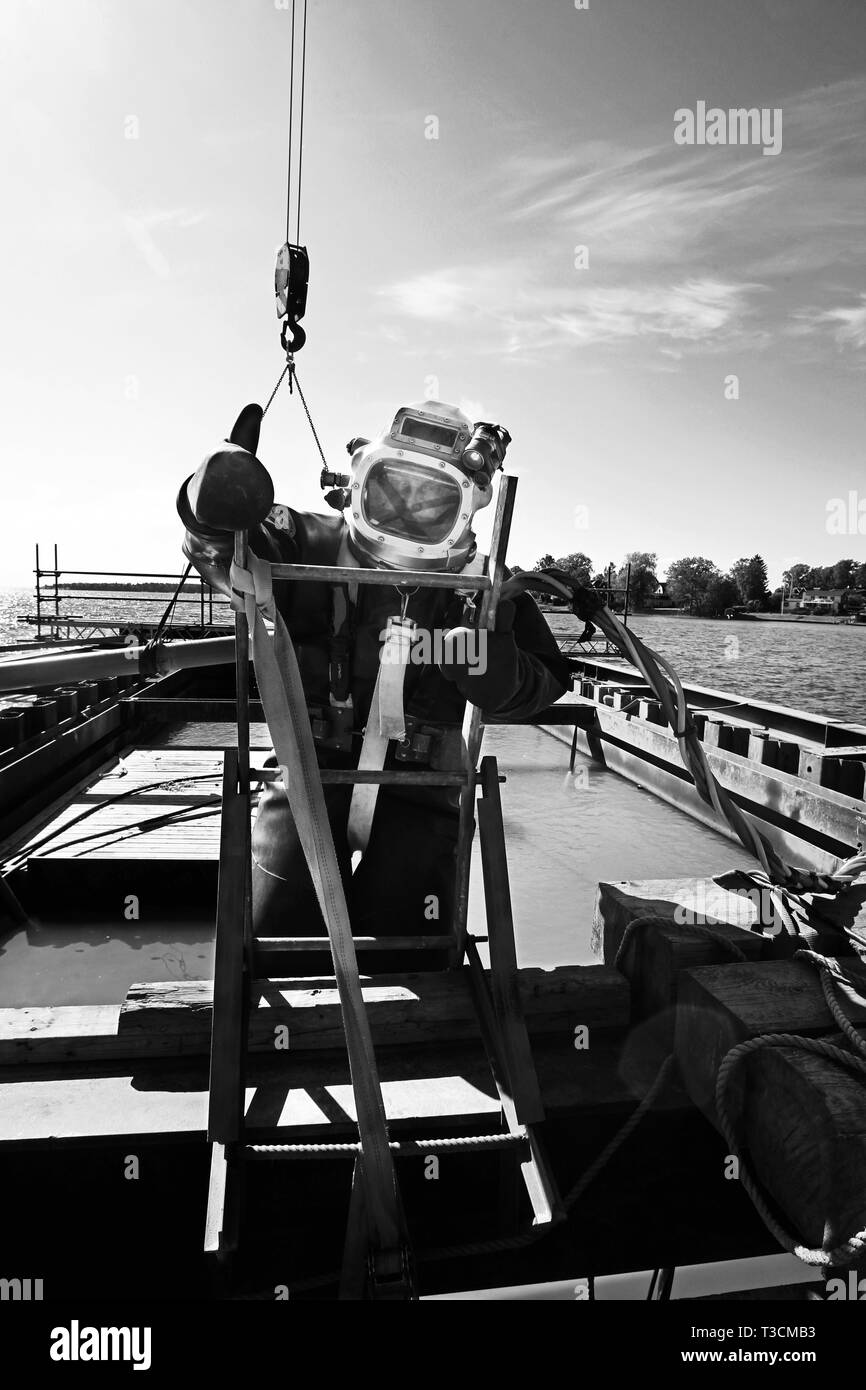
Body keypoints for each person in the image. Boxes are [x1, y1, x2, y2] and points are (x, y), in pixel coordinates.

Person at [178, 399, 571, 952]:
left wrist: (496, 668)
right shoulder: (306, 541)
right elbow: (229, 554)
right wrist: (211, 505)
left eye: (430, 498)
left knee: (411, 948)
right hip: (306, 775)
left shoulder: (481, 584)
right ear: (362, 483)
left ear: (463, 506)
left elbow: (545, 680)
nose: (409, 507)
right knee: (275, 943)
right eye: (395, 489)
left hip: (422, 792)